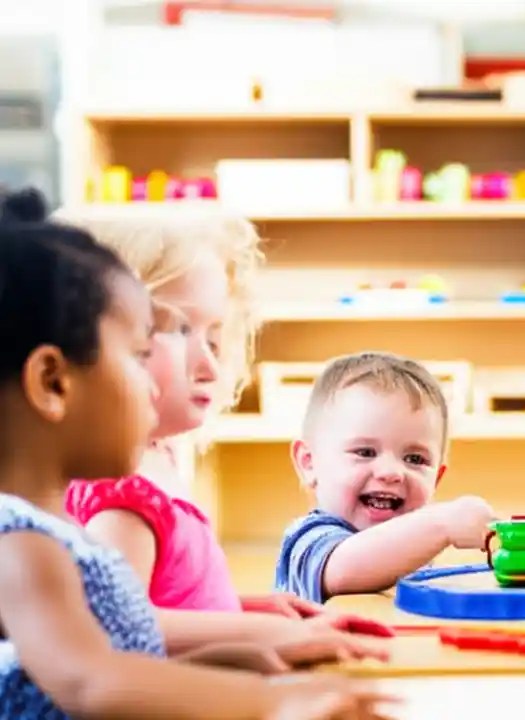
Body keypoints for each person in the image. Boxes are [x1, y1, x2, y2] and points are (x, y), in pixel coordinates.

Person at [0, 188, 390, 719]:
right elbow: (91, 682)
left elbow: (128, 649)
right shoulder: (22, 543)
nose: (158, 385)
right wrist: (267, 702)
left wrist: (233, 655)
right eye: (141, 355)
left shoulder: (50, 536)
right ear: (52, 382)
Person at [276, 352, 496, 603]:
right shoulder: (307, 539)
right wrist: (443, 523)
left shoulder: (415, 547)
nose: (391, 472)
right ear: (309, 463)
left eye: (414, 459)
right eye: (365, 452)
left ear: (436, 479)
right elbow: (346, 569)